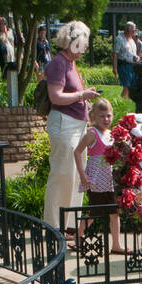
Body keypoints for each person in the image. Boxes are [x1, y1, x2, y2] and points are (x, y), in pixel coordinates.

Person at [43, 20, 99, 235]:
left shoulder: (71, 63)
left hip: (77, 125)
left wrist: (85, 97)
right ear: (73, 42)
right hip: (63, 125)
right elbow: (55, 96)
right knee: (62, 174)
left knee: (77, 176)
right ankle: (53, 226)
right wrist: (82, 95)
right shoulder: (58, 62)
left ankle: (69, 226)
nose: (85, 47)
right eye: (83, 43)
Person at [76, 97, 125, 257]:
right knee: (93, 212)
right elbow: (77, 151)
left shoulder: (112, 135)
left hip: (110, 180)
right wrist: (83, 175)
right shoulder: (92, 134)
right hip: (96, 179)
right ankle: (78, 238)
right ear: (94, 117)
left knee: (114, 211)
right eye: (102, 116)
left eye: (108, 115)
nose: (106, 119)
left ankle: (116, 244)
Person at [113, 21, 141, 97]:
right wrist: (114, 68)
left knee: (132, 86)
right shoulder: (120, 39)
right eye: (133, 30)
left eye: (135, 30)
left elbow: (134, 53)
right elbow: (115, 54)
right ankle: (123, 99)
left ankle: (127, 99)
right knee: (127, 86)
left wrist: (137, 57)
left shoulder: (132, 40)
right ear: (127, 29)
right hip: (124, 65)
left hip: (132, 65)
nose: (134, 32)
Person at [0, 16, 15, 81]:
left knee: (14, 75)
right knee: (5, 75)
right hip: (3, 58)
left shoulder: (11, 32)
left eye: (0, 23)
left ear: (5, 23)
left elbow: (16, 44)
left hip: (13, 57)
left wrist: (20, 54)